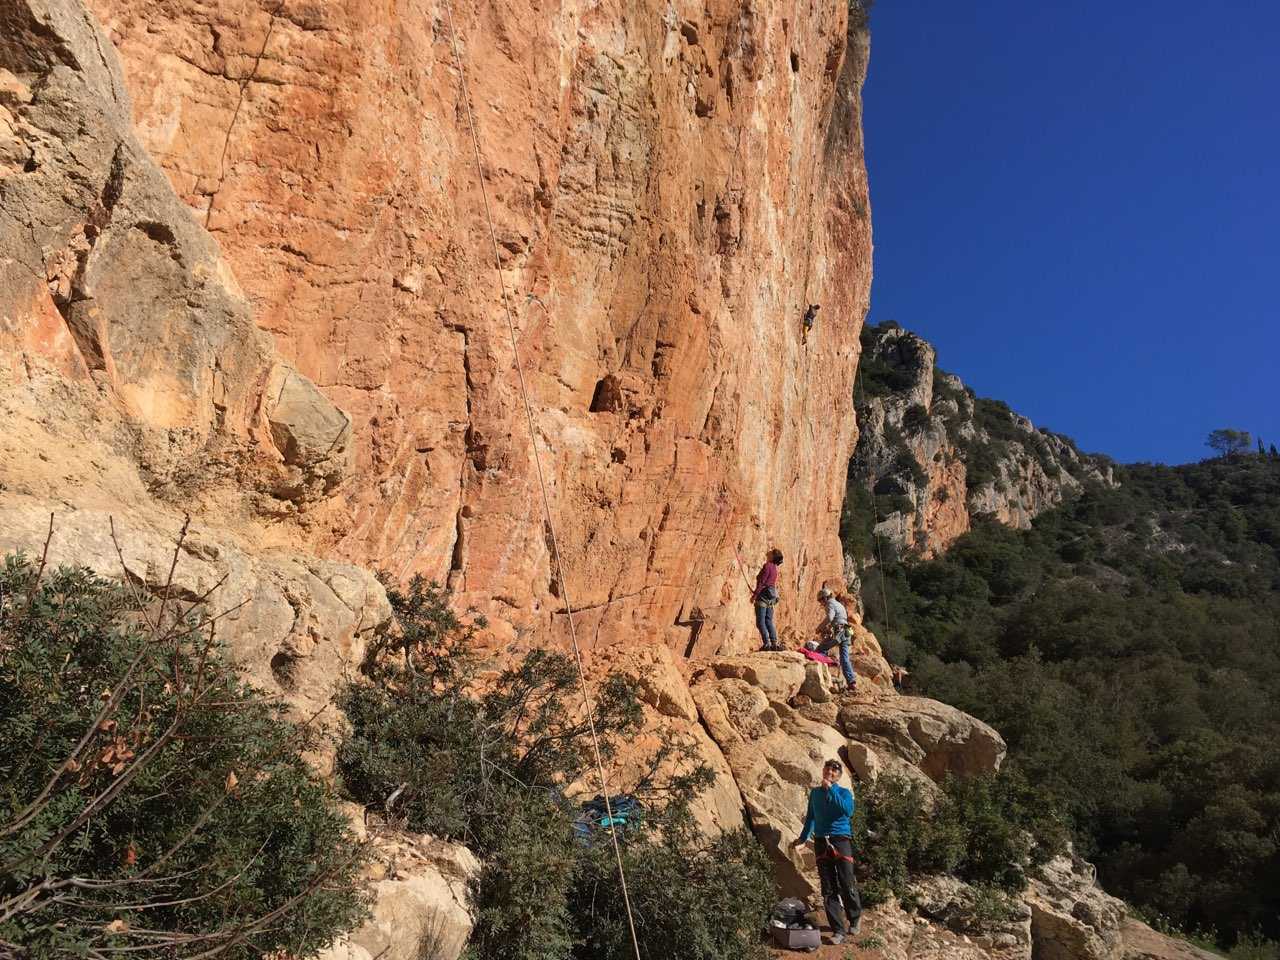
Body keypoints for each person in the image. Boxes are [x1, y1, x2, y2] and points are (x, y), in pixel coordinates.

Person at [791, 758, 862, 944]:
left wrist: (830, 789)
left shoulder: (844, 793)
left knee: (847, 883)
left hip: (841, 840)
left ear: (838, 776)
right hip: (822, 841)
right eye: (828, 769)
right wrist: (803, 838)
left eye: (834, 771)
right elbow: (811, 818)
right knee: (828, 888)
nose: (830, 772)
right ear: (823, 770)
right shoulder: (815, 793)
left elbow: (847, 811)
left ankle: (854, 918)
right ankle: (838, 930)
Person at [816, 588, 856, 691]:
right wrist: (829, 628)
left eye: (821, 600)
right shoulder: (839, 604)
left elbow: (830, 617)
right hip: (847, 630)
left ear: (825, 598)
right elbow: (840, 618)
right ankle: (852, 682)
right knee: (844, 658)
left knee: (821, 649)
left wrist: (820, 627)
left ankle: (819, 674)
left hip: (840, 629)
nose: (821, 603)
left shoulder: (830, 603)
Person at [751, 548, 783, 651]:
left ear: (772, 556)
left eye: (771, 552)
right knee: (768, 620)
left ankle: (767, 644)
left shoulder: (767, 566)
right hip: (771, 597)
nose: (768, 552)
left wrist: (754, 595)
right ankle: (774, 643)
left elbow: (762, 582)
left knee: (760, 622)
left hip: (763, 596)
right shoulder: (774, 567)